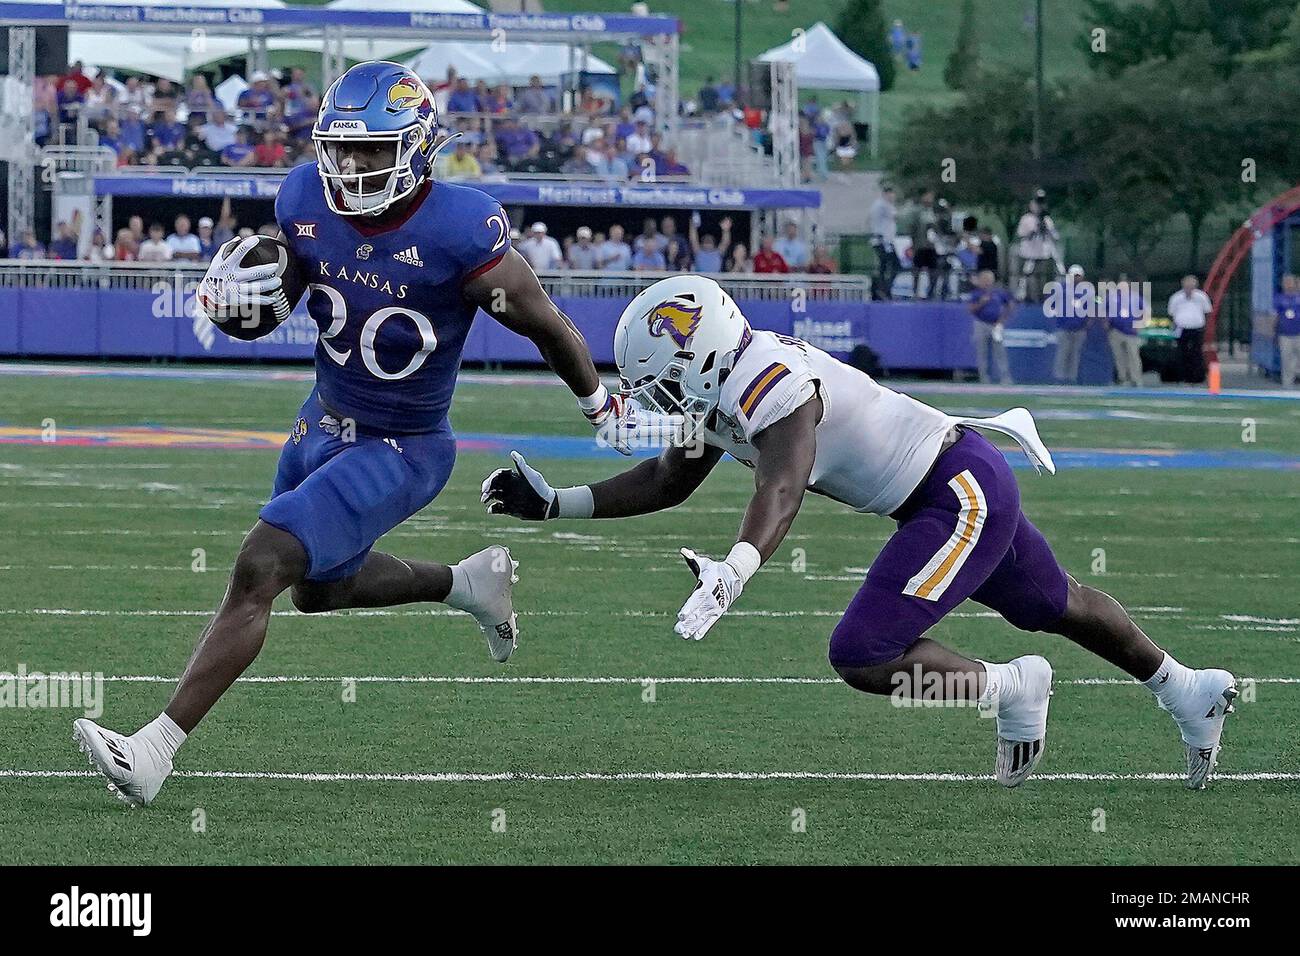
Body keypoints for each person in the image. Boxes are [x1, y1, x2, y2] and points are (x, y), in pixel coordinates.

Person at [73, 61, 664, 807]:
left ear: (417, 147)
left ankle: (155, 750)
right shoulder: (301, 195)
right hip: (319, 422)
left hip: (403, 445)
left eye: (371, 150)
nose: (350, 166)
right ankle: (471, 585)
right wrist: (248, 288)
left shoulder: (458, 228)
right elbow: (291, 274)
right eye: (340, 149)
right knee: (318, 592)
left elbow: (544, 322)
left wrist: (598, 404)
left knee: (262, 565)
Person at [483, 275, 1239, 790]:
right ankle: (1187, 689)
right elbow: (666, 479)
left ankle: (1013, 683)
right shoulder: (724, 385)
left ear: (703, 353)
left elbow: (784, 480)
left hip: (958, 493)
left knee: (863, 653)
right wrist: (557, 505)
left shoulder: (768, 378)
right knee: (1055, 603)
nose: (664, 400)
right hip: (950, 487)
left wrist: (737, 568)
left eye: (670, 382)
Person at [966, 269, 1014, 384]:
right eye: (984, 279)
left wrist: (1001, 320)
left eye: (988, 279)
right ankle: (984, 377)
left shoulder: (998, 292)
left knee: (1000, 351)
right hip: (981, 323)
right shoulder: (977, 293)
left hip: (995, 324)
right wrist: (982, 302)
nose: (987, 282)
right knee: (981, 352)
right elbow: (971, 309)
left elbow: (1010, 305)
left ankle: (1005, 377)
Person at [1014, 191, 1060, 302]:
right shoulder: (1026, 218)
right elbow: (1020, 235)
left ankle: (1043, 300)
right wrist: (1034, 230)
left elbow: (1056, 236)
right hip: (1028, 255)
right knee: (1026, 280)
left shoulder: (1047, 220)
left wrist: (1047, 228)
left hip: (1043, 256)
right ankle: (1025, 299)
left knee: (1043, 281)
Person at [1167, 274, 1211, 384]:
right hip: (1181, 329)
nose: (1189, 287)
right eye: (1187, 285)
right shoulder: (1176, 298)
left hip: (1197, 328)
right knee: (1182, 353)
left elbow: (1207, 311)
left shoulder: (1202, 297)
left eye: (1191, 284)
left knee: (1196, 353)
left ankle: (1197, 377)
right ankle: (1182, 376)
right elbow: (1171, 313)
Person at [1053, 265, 1091, 384]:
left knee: (1075, 354)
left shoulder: (1086, 291)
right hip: (1064, 327)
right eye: (1074, 276)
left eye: (1078, 276)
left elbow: (1091, 307)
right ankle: (1059, 378)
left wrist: (1087, 323)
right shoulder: (1061, 289)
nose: (1076, 279)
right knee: (1062, 353)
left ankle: (1072, 378)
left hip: (1079, 328)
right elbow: (1052, 305)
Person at [1268, 273, 1300, 389]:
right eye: (1285, 282)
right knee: (1286, 360)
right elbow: (1274, 316)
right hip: (1285, 334)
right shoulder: (1279, 299)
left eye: (1290, 282)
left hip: (1298, 333)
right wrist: (1273, 332)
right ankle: (1287, 385)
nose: (1288, 285)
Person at [868, 185, 899, 299]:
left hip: (885, 240)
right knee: (892, 265)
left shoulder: (881, 205)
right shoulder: (883, 205)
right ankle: (883, 288)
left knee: (884, 266)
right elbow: (896, 216)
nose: (893, 196)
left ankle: (882, 288)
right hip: (883, 241)